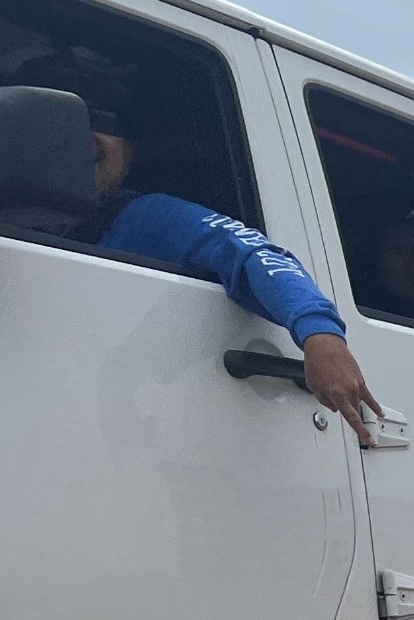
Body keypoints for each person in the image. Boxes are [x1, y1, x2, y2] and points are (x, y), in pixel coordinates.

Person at [18, 52, 383, 445]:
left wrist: (320, 336)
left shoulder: (142, 217)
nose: (86, 137)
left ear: (130, 152)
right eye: (63, 120)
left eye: (105, 121)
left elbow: (248, 252)